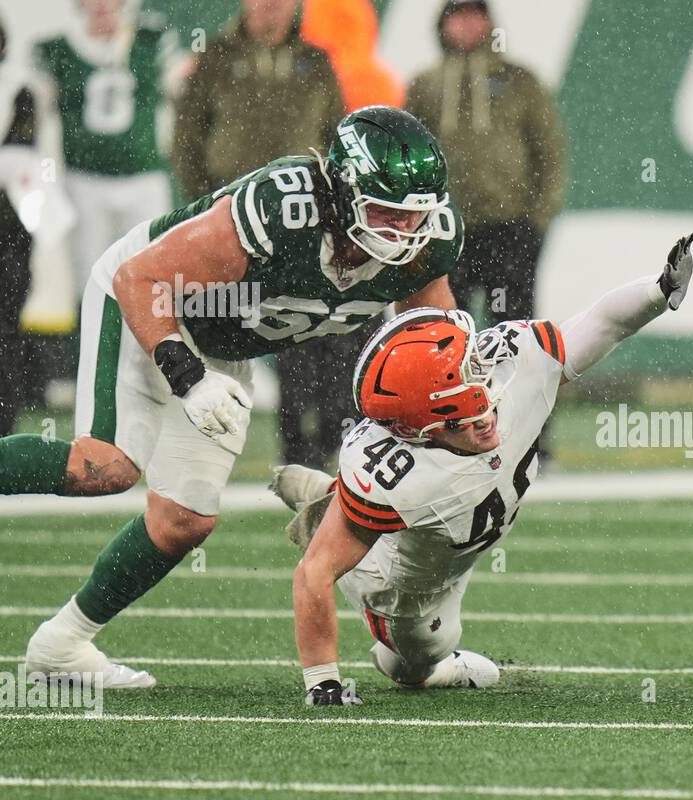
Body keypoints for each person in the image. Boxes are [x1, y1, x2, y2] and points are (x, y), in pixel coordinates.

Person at [0, 106, 462, 689]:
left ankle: (60, 645)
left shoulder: (424, 244)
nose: (400, 232)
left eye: (414, 216)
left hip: (222, 342)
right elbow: (141, 279)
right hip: (152, 304)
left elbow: (432, 347)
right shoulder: (283, 210)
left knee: (185, 522)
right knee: (108, 466)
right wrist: (187, 375)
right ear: (343, 194)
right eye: (384, 212)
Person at [271, 237, 693, 704]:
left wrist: (658, 290)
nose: (484, 418)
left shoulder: (510, 365)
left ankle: (333, 499)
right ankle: (333, 511)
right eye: (458, 418)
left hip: (458, 537)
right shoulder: (398, 474)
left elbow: (603, 324)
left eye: (480, 389)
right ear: (417, 431)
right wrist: (324, 684)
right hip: (406, 579)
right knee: (421, 657)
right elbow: (313, 576)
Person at [172, 0, 352, 470]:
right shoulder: (215, 58)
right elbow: (188, 136)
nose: (269, 9)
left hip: (305, 216)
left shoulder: (316, 61)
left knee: (314, 325)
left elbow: (337, 137)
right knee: (235, 326)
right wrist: (207, 200)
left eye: (279, 1)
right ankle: (250, 444)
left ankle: (329, 437)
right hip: (232, 215)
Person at [405, 0, 567, 327]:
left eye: (475, 16)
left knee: (514, 331)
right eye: (458, 16)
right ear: (443, 25)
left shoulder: (520, 81)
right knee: (446, 330)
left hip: (510, 228)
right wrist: (418, 221)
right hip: (446, 229)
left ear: (489, 23)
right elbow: (407, 153)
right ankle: (458, 382)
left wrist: (536, 221)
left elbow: (549, 153)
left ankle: (515, 381)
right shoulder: (425, 85)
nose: (466, 25)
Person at [35, 0, 179, 294]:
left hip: (144, 177)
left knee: (150, 279)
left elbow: (181, 95)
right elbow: (36, 115)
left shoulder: (153, 42)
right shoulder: (56, 50)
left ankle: (143, 342)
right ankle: (92, 340)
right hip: (85, 179)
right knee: (90, 282)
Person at [0, 14, 38, 436]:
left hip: (7, 230)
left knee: (5, 332)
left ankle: (4, 427)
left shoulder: (17, 88)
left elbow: (17, 162)